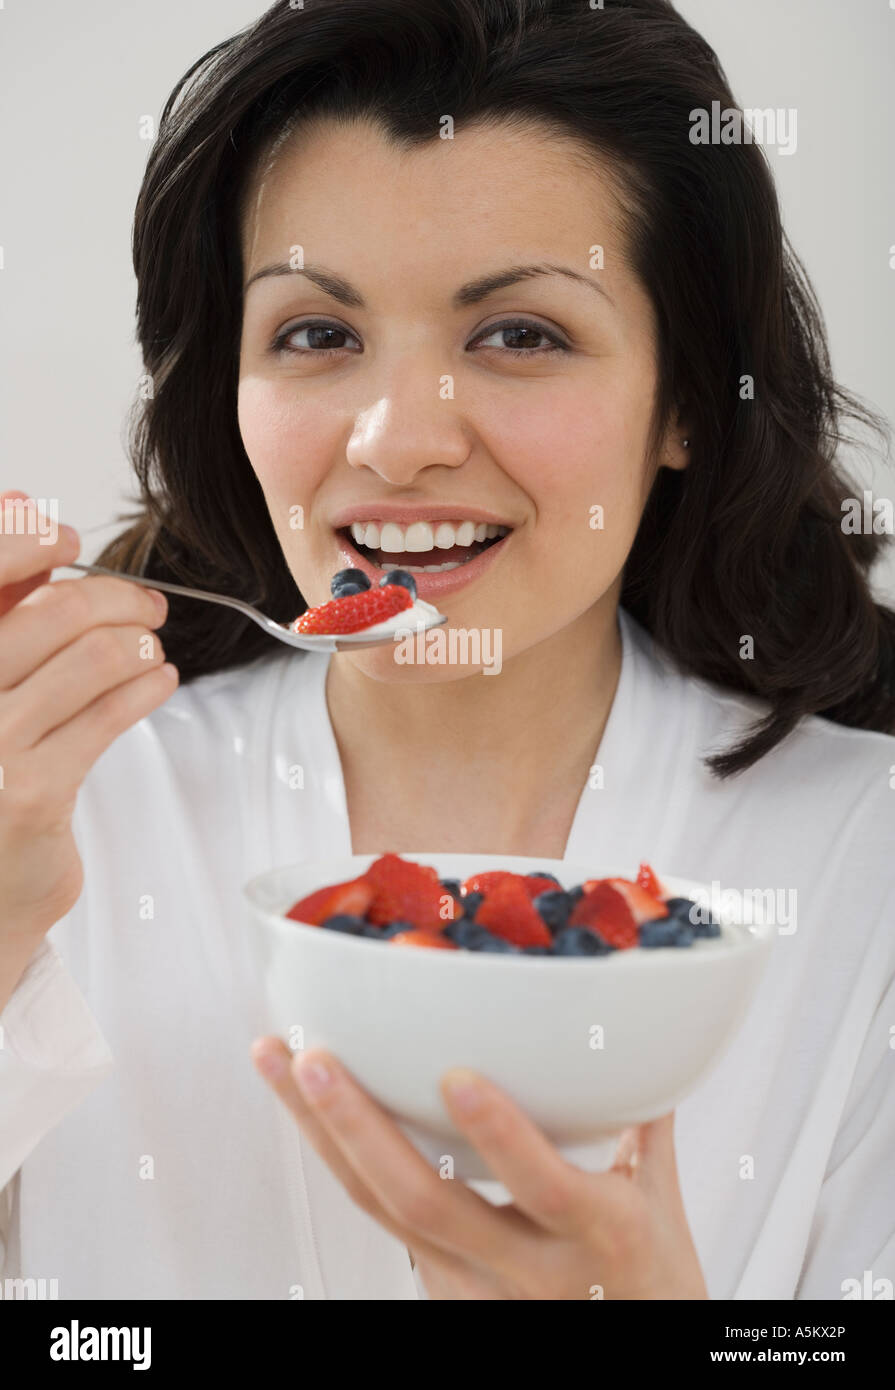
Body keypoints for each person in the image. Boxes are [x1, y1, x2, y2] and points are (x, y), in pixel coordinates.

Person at [1, 0, 893, 1300]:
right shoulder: (70, 822)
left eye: (519, 334)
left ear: (688, 399)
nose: (397, 439)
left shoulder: (867, 867)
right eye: (317, 333)